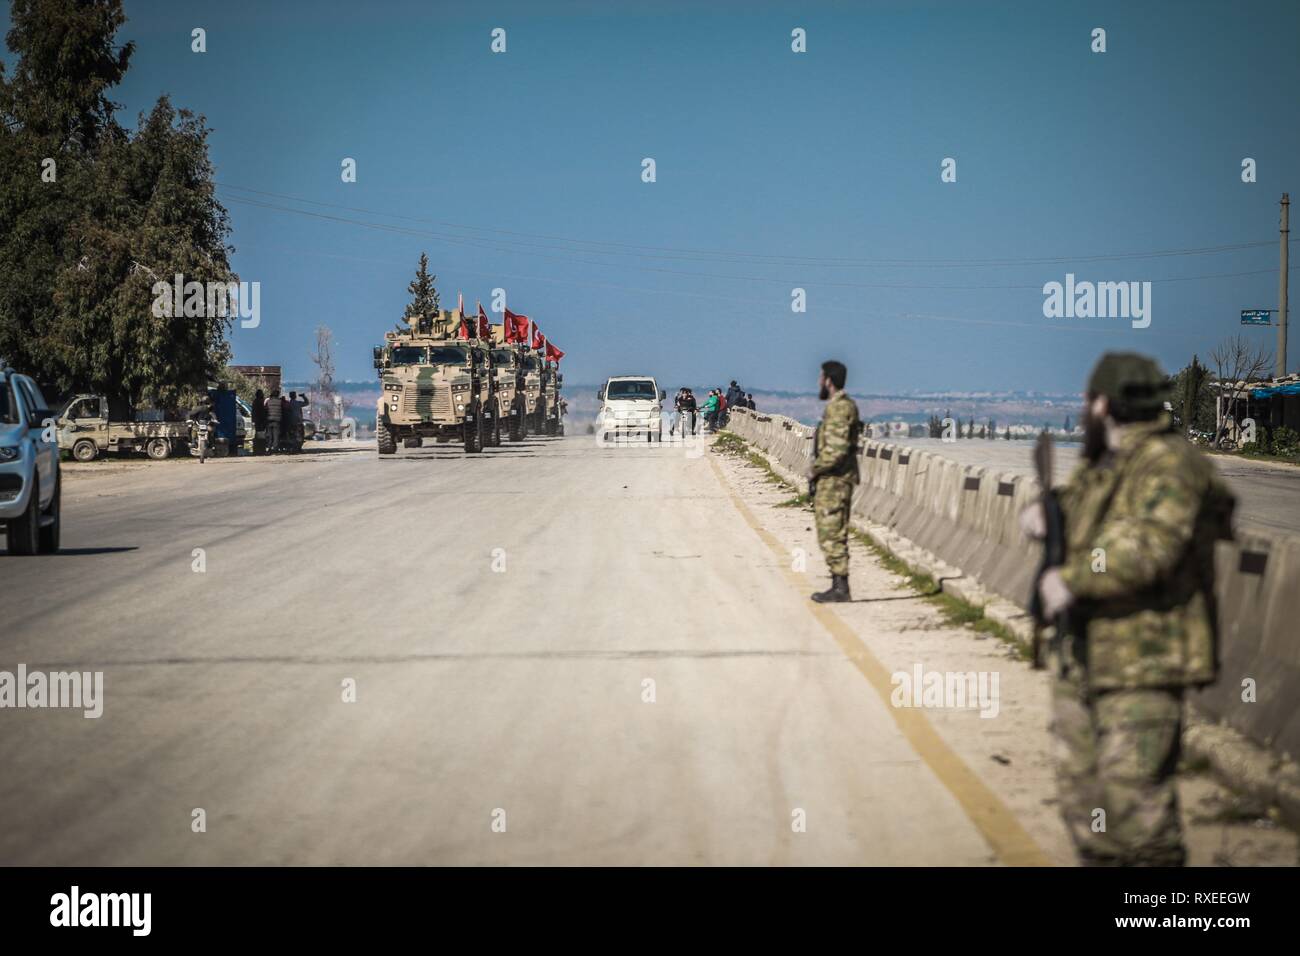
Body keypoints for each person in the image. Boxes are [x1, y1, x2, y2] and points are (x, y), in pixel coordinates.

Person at [1020, 352, 1235, 867]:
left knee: (1140, 819)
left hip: (1143, 666)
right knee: (1085, 804)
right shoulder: (1108, 466)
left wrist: (1071, 580)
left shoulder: (1170, 462)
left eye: (1088, 402)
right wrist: (1045, 518)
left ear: (1104, 405)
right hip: (1088, 659)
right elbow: (1081, 514)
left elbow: (1149, 547)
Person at [805, 361, 861, 603]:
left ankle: (841, 586)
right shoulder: (838, 406)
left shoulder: (840, 408)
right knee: (830, 531)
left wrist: (815, 470)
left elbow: (836, 449)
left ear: (828, 380)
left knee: (832, 532)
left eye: (821, 377)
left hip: (835, 480)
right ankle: (838, 584)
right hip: (833, 479)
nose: (819, 381)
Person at [265, 387, 282, 452]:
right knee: (275, 436)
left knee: (269, 436)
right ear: (278, 395)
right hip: (277, 421)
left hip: (269, 420)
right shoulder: (280, 402)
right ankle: (275, 448)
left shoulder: (268, 401)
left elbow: (266, 409)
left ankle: (269, 447)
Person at [251, 388, 267, 454]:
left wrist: (253, 419)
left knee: (258, 434)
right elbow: (263, 411)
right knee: (261, 434)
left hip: (257, 420)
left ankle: (257, 448)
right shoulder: (261, 401)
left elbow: (253, 411)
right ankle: (261, 448)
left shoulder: (255, 401)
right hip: (261, 420)